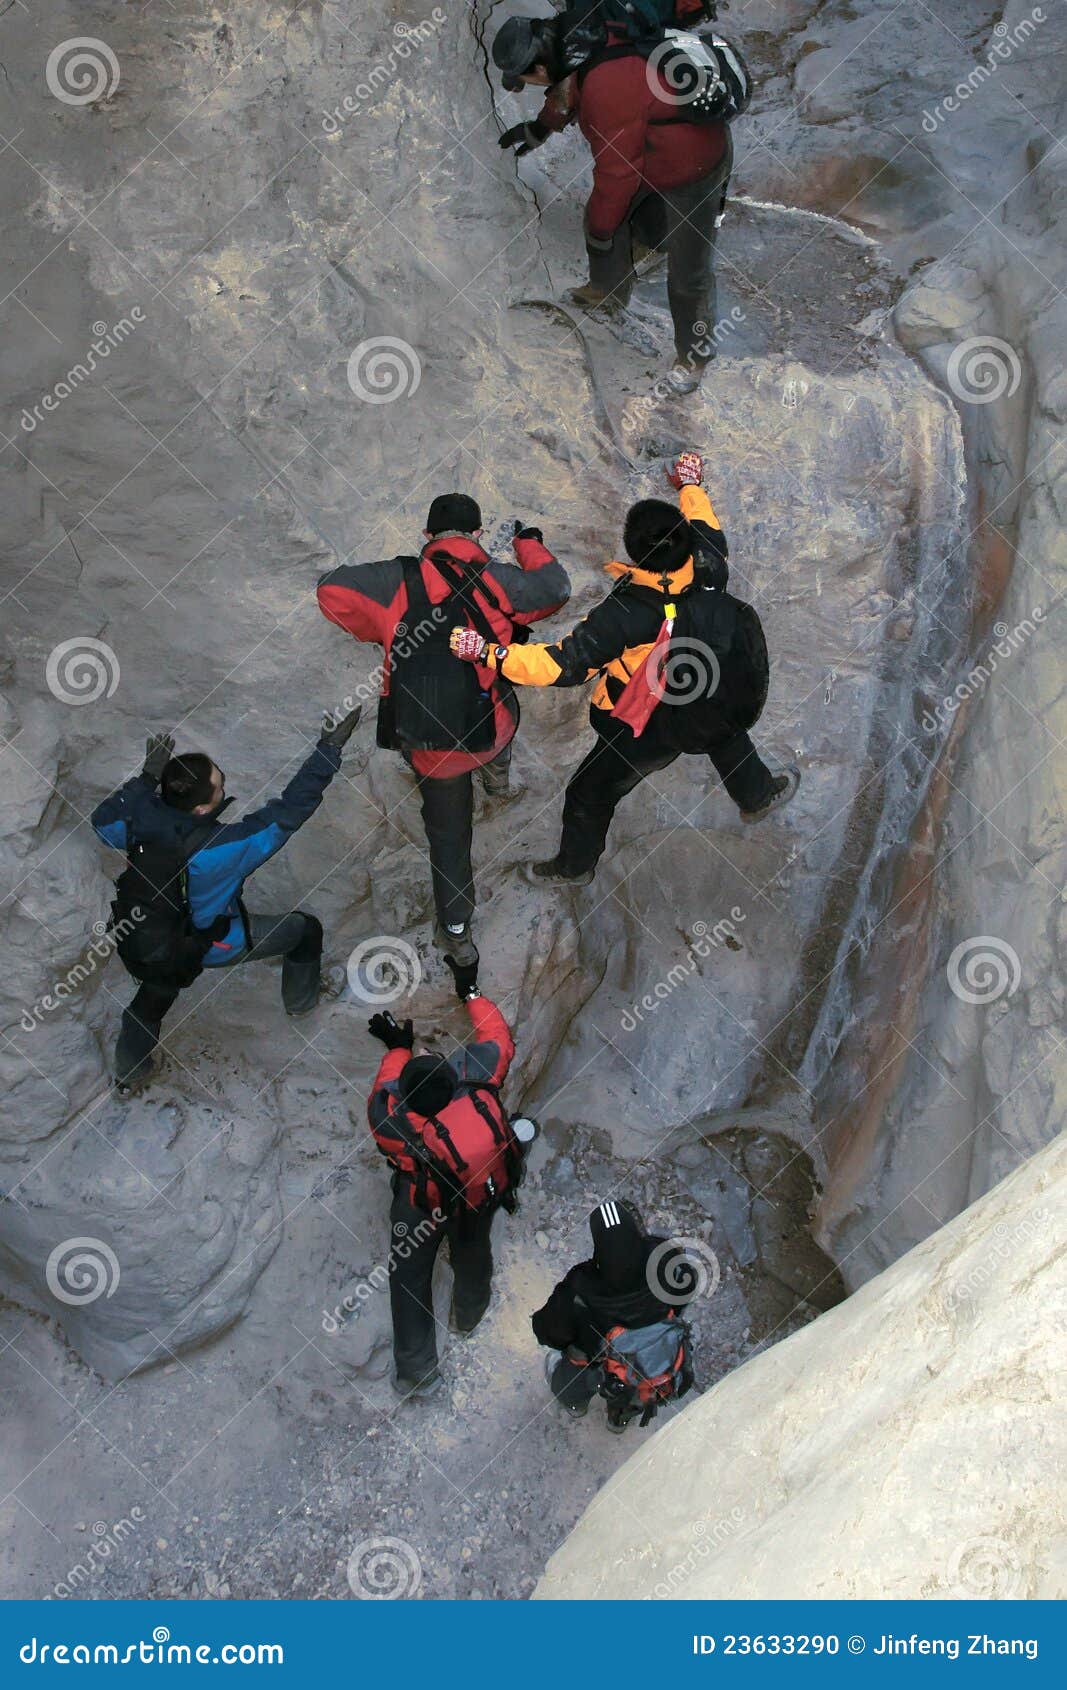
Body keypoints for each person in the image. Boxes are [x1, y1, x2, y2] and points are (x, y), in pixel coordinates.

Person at [450, 452, 798, 885]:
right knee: (717, 723)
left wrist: (488, 653)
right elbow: (703, 518)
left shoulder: (623, 616)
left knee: (589, 793)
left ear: (634, 553)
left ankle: (573, 868)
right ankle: (757, 795)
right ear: (685, 542)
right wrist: (688, 483)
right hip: (704, 685)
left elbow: (559, 665)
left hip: (643, 725)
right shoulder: (709, 561)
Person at [317, 494, 569, 969]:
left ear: (428, 537)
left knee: (450, 841)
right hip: (488, 725)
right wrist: (528, 544)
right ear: (476, 534)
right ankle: (497, 782)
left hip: (431, 747)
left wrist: (376, 627)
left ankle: (456, 930)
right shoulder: (500, 580)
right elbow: (555, 588)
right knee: (503, 709)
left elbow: (330, 590)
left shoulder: (396, 579)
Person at [91, 708, 361, 1092]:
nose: (223, 786)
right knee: (304, 930)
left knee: (150, 1003)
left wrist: (146, 777)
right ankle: (301, 1004)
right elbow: (289, 812)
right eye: (220, 786)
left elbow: (102, 823)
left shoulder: (136, 820)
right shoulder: (223, 849)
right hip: (209, 945)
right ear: (202, 809)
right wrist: (328, 749)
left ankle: (129, 1074)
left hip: (141, 938)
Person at [493, 4, 733, 390]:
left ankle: (694, 356)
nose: (534, 85)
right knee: (613, 219)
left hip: (695, 166)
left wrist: (601, 232)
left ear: (539, 67)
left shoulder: (608, 84)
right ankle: (608, 292)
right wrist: (540, 128)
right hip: (653, 153)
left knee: (688, 272)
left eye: (527, 79)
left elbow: (617, 175)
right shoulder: (581, 39)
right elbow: (568, 91)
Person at [366, 954, 532, 1399]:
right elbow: (498, 1035)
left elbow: (381, 1095)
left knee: (408, 1276)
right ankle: (467, 1316)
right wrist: (470, 993)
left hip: (424, 1203)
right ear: (448, 1071)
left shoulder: (394, 1121)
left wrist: (397, 1049)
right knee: (473, 1254)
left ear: (408, 1099)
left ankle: (417, 1374)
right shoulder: (477, 1077)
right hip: (482, 1192)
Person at [532, 1199, 695, 1431]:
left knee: (577, 1363)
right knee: (632, 1389)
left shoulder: (582, 1286)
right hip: (651, 1368)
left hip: (602, 1370)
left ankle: (575, 1404)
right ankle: (619, 1419)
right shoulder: (665, 1260)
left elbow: (548, 1332)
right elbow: (687, 1288)